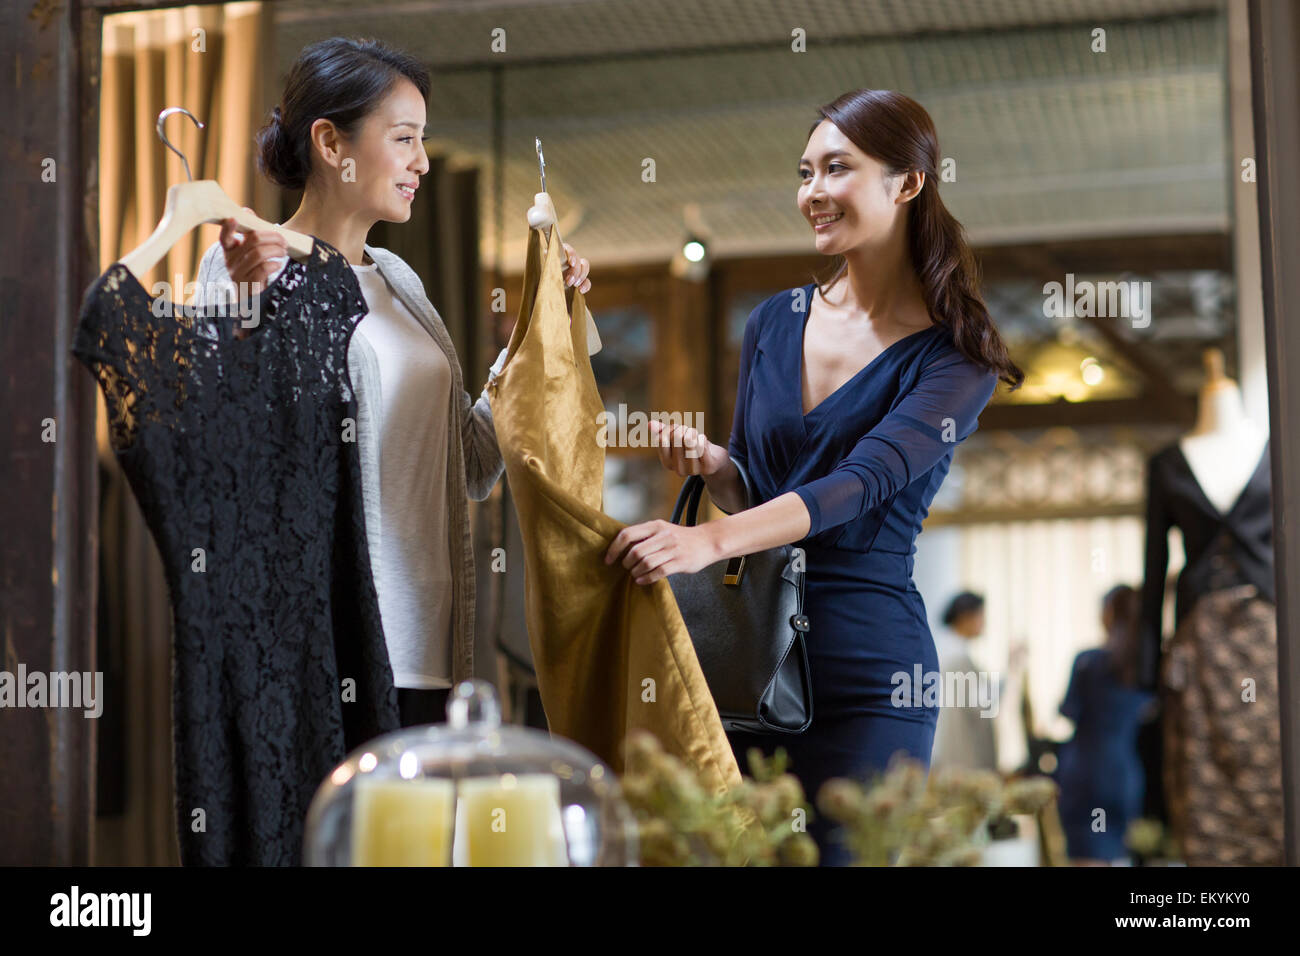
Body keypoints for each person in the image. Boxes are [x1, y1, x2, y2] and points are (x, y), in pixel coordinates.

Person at [603, 89, 1022, 865]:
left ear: (907, 184)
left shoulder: (955, 357)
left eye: (838, 168)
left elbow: (859, 484)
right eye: (805, 172)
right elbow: (767, 491)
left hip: (867, 673)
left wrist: (708, 539)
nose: (813, 192)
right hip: (744, 659)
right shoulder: (774, 321)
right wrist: (720, 469)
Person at [193, 37, 594, 728]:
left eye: (423, 140)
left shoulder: (400, 283)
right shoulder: (249, 267)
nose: (422, 162)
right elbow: (229, 459)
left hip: (432, 648)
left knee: (423, 839)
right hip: (323, 644)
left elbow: (471, 464)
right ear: (329, 141)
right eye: (404, 138)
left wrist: (539, 328)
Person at [1054, 585, 1156, 864]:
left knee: (1087, 856)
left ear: (1108, 615)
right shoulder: (1143, 668)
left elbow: (1069, 712)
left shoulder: (1088, 661)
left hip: (1085, 772)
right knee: (1115, 855)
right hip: (1124, 774)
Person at [930, 591, 998, 773]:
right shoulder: (957, 656)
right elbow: (983, 704)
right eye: (981, 615)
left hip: (940, 749)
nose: (984, 622)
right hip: (959, 751)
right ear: (965, 617)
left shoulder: (940, 647)